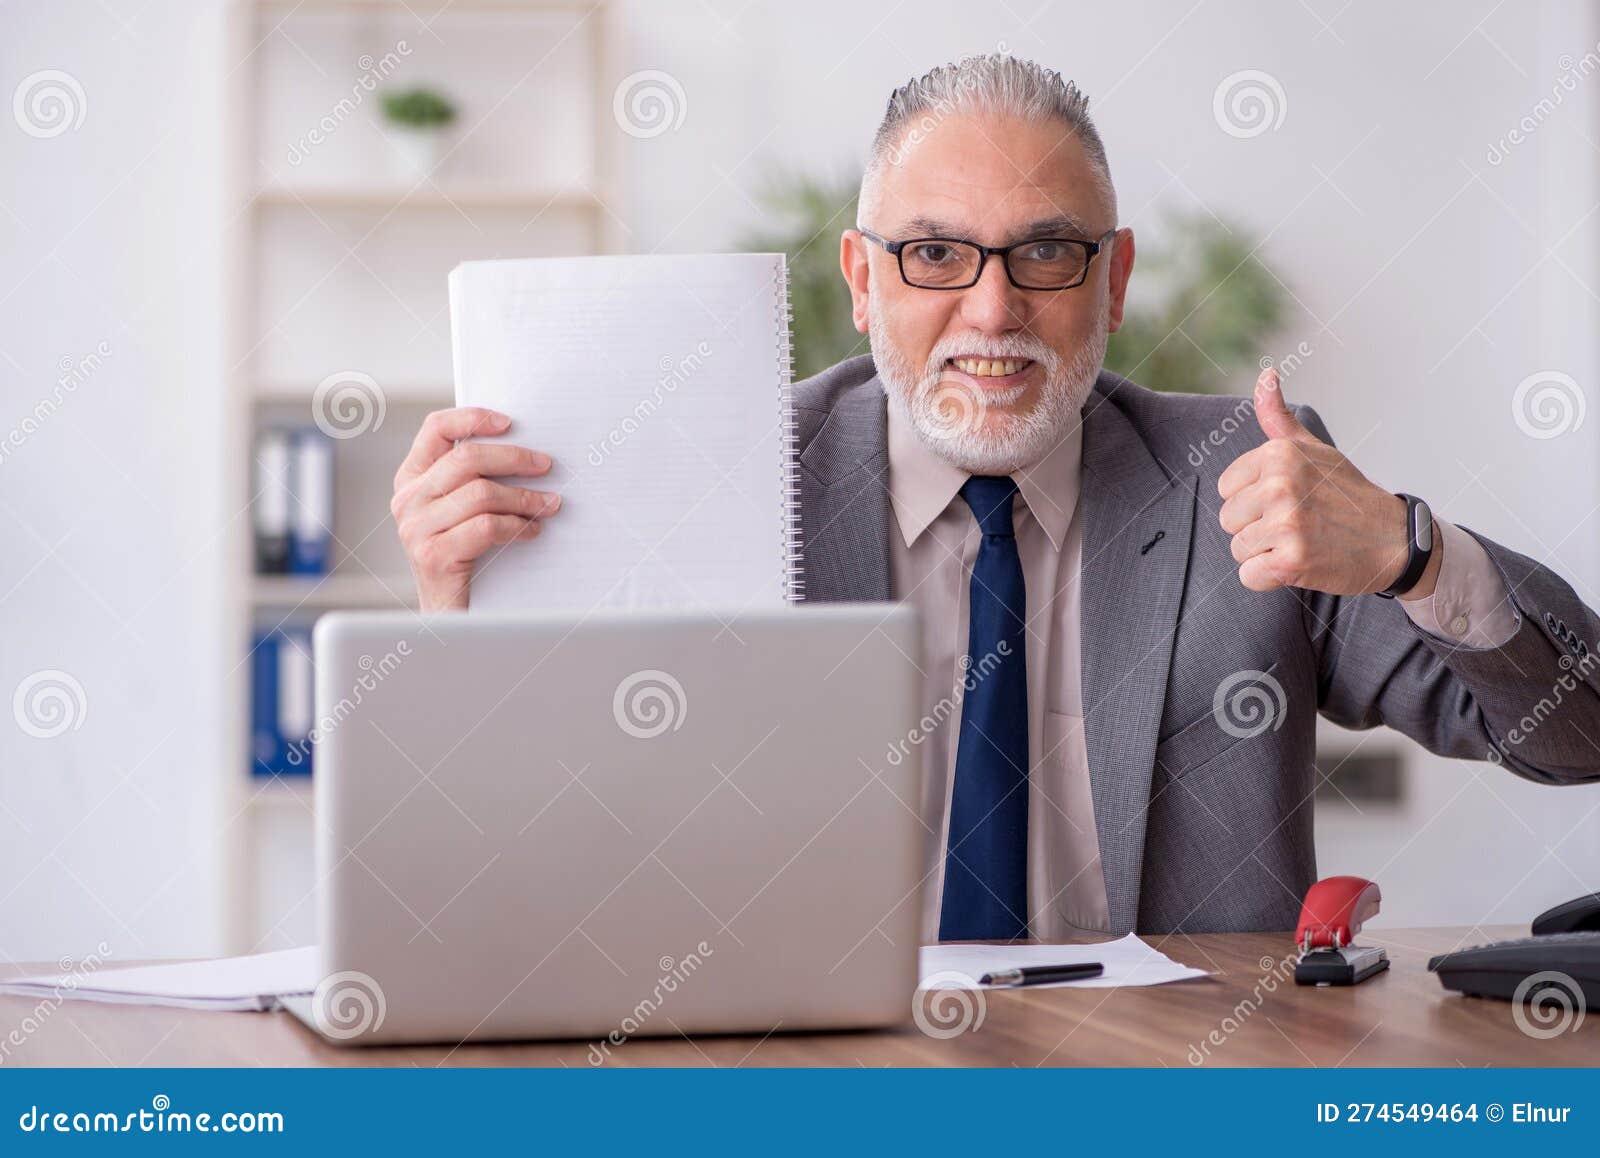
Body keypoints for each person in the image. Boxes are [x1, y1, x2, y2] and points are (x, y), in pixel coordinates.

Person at [389, 54, 1600, 939]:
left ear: (1113, 278)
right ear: (861, 279)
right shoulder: (732, 473)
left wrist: (1412, 553)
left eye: (1046, 251)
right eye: (933, 253)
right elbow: (540, 851)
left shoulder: (1241, 480)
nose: (991, 309)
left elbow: (1576, 734)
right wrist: (466, 620)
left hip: (1168, 1092)